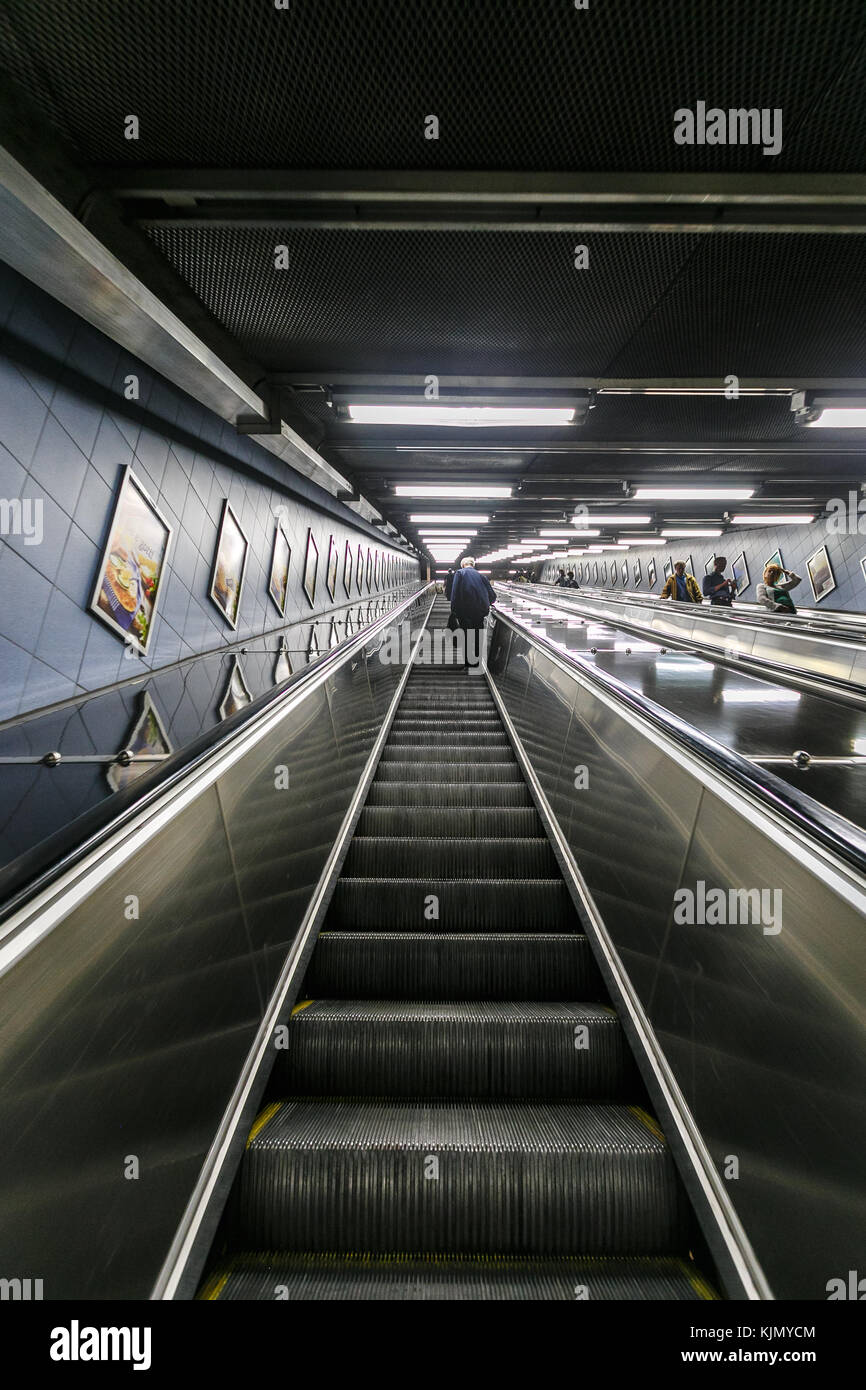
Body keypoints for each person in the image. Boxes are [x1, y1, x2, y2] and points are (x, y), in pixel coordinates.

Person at [449, 556, 497, 667]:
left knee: (466, 634)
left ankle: (468, 661)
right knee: (477, 634)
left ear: (462, 565)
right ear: (473, 565)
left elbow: (455, 594)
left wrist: (453, 610)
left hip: (464, 611)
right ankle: (476, 661)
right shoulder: (482, 576)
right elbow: (493, 596)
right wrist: (486, 602)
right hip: (480, 611)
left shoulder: (459, 573)